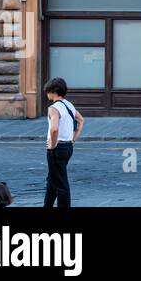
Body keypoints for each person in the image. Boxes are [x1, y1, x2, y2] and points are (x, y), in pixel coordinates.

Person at [43, 77, 83, 208]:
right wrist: (73, 138)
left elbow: (54, 128)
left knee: (61, 184)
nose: (46, 93)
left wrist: (53, 145)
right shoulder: (69, 105)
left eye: (48, 90)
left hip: (57, 149)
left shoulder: (53, 108)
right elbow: (81, 120)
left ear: (53, 91)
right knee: (53, 179)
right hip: (68, 147)